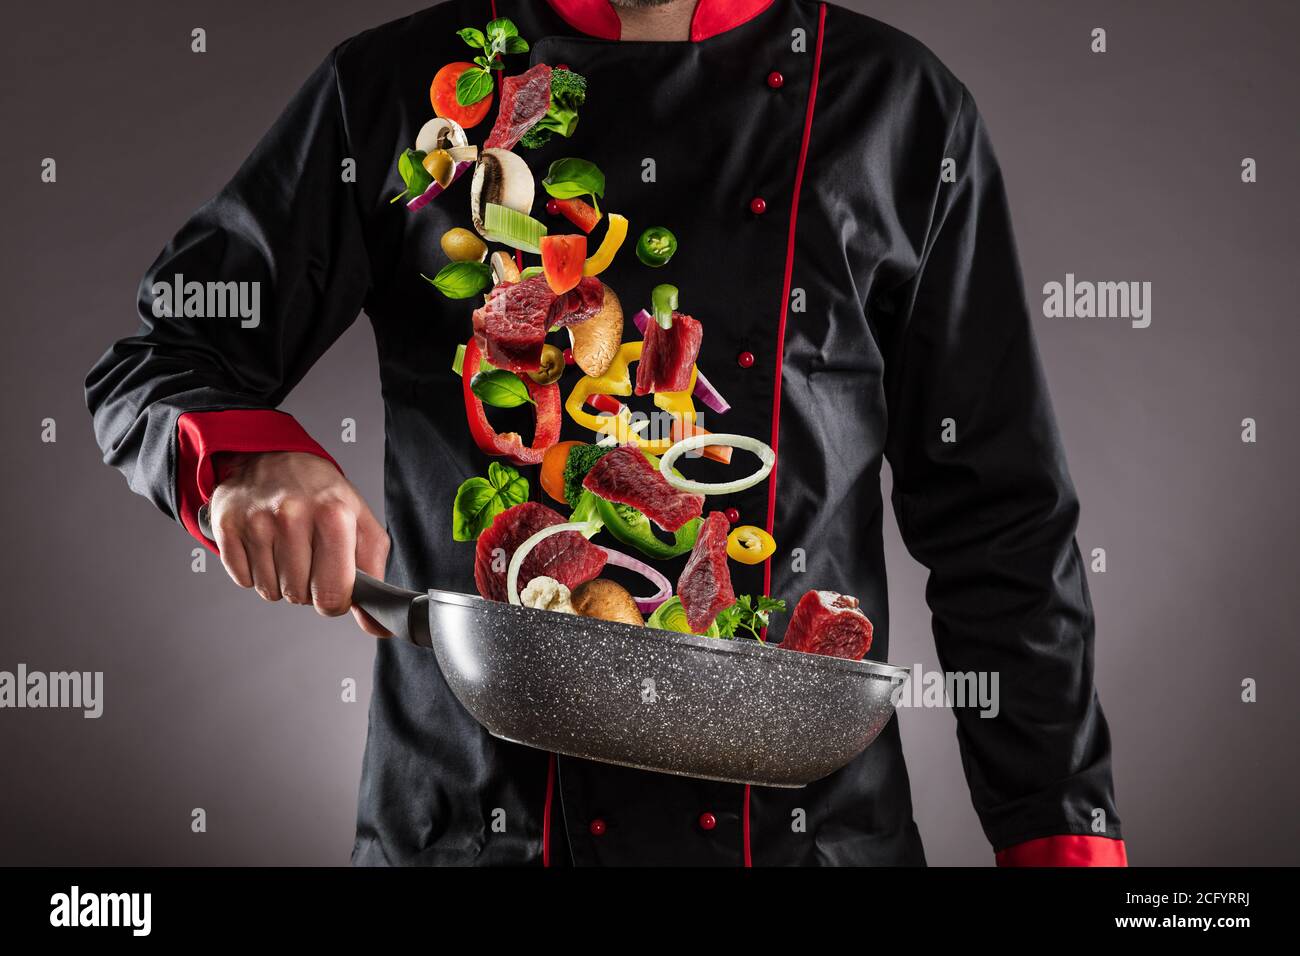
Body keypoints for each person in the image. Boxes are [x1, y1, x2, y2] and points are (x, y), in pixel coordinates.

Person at [86, 0, 1126, 866]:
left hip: (808, 843)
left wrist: (1061, 842)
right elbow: (164, 354)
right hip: (473, 833)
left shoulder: (899, 108)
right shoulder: (409, 87)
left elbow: (1001, 518)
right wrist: (243, 456)